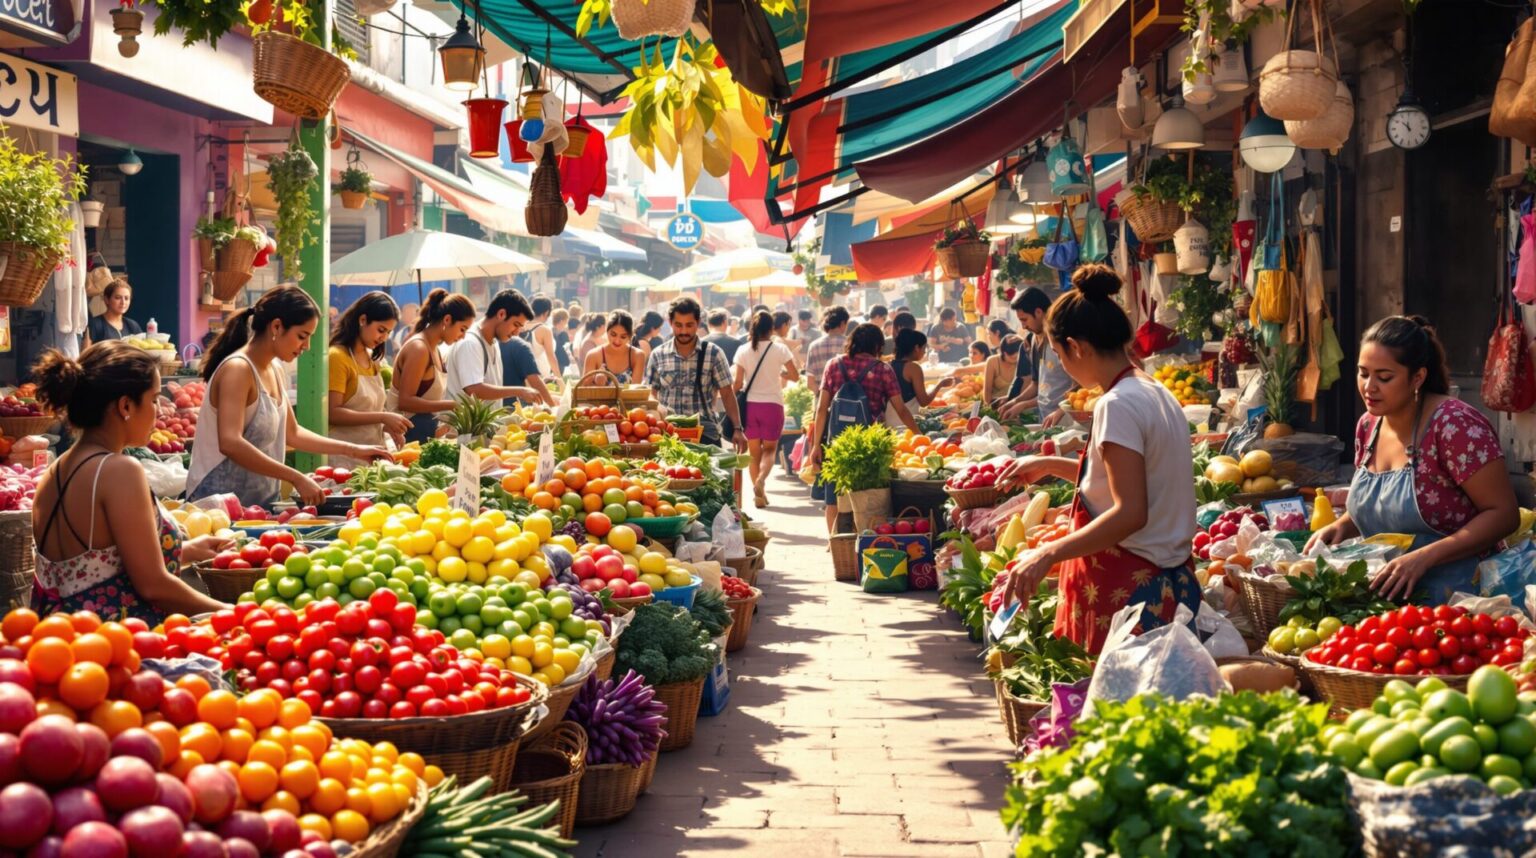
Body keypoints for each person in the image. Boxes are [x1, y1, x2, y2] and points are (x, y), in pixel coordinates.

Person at [994, 265, 1198, 654]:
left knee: (1116, 707)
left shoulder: (1117, 404)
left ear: (1078, 347)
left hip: (1133, 588)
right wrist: (1050, 465)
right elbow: (1131, 483)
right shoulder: (1152, 390)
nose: (1064, 367)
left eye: (1059, 354)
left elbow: (1130, 512)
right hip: (1168, 579)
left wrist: (1047, 553)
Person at [1307, 316, 1518, 604]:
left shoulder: (1455, 426)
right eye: (1363, 373)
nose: (1369, 387)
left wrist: (1425, 558)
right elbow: (1385, 510)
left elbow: (1504, 514)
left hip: (1462, 602)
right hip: (1386, 600)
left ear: (1417, 377)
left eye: (1384, 377)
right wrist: (1344, 525)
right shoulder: (1369, 426)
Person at [30, 342, 228, 624]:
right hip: (114, 644)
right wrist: (234, 613)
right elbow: (153, 586)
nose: (158, 411)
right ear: (125, 406)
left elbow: (98, 564)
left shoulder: (54, 471)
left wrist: (189, 550)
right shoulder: (119, 470)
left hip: (62, 642)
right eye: (154, 399)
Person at [187, 285, 392, 508]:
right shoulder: (238, 369)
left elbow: (292, 433)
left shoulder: (274, 368)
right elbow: (230, 442)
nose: (306, 346)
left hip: (256, 506)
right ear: (276, 326)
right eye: (302, 336)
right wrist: (294, 476)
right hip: (214, 507)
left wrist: (354, 450)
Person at [807, 324, 918, 534]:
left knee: (833, 497)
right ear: (877, 345)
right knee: (870, 496)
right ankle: (866, 538)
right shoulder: (882, 369)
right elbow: (901, 409)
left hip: (837, 442)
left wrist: (815, 446)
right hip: (871, 446)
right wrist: (919, 435)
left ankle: (835, 541)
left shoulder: (833, 365)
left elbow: (821, 409)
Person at [642, 297, 747, 450]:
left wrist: (738, 429)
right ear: (670, 323)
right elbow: (651, 393)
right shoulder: (658, 354)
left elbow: (727, 393)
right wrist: (658, 407)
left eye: (689, 325)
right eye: (678, 325)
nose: (684, 331)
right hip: (669, 434)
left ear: (698, 323)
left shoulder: (714, 353)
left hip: (706, 435)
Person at [327, 291, 412, 468]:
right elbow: (333, 413)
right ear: (363, 320)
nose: (384, 338)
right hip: (343, 461)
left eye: (388, 332)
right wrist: (382, 417)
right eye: (381, 330)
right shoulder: (337, 357)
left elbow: (370, 411)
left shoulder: (372, 358)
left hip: (372, 457)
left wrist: (388, 427)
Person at [733, 311, 800, 507]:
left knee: (753, 453)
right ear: (771, 329)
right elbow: (795, 376)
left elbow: (738, 383)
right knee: (770, 450)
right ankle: (761, 481)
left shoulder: (743, 350)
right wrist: (781, 373)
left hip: (750, 406)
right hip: (773, 405)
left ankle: (758, 493)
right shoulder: (780, 349)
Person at [392, 289, 475, 444]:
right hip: (410, 440)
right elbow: (405, 402)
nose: (463, 336)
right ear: (448, 320)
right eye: (462, 329)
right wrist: (453, 404)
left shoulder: (435, 349)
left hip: (426, 436)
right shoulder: (419, 349)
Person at [446, 289, 539, 404]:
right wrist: (519, 391)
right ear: (501, 314)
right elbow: (474, 389)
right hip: (466, 422)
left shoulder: (494, 342)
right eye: (515, 325)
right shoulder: (470, 342)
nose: (516, 333)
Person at [1001, 287, 1069, 423]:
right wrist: (1015, 401)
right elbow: (1036, 384)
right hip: (1044, 419)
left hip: (1066, 420)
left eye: (1024, 320)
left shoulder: (1062, 338)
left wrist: (1025, 404)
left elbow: (1080, 385)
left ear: (1038, 312)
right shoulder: (1032, 340)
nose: (1023, 326)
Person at [887, 329, 956, 424]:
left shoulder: (888, 365)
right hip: (906, 422)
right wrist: (940, 385)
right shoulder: (913, 368)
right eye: (924, 349)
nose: (924, 353)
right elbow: (924, 401)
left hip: (888, 420)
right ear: (916, 348)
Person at [583, 310, 647, 384]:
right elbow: (583, 390)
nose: (617, 341)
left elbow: (635, 391)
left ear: (630, 336)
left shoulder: (638, 356)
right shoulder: (593, 355)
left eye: (623, 337)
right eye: (613, 335)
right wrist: (598, 383)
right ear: (607, 331)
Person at [84, 278, 143, 347]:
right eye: (118, 297)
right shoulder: (94, 325)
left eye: (126, 298)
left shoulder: (133, 325)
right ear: (106, 299)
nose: (123, 302)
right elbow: (85, 354)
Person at [805, 306, 850, 388]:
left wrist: (820, 395)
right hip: (846, 398)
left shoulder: (814, 346)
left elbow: (810, 383)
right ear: (843, 323)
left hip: (821, 398)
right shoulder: (850, 344)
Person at [520, 294, 559, 377]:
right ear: (547, 312)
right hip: (537, 372)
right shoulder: (544, 330)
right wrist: (559, 378)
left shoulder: (521, 325)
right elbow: (551, 357)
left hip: (521, 371)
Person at [983, 336, 1024, 407]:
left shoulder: (1023, 361)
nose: (1016, 359)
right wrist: (991, 408)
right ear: (1003, 352)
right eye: (1011, 357)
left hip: (1017, 404)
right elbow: (987, 392)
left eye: (1018, 356)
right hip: (996, 405)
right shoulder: (992, 361)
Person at [551, 308, 572, 375]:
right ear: (562, 321)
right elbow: (567, 349)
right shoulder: (563, 334)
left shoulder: (549, 331)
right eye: (566, 320)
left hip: (550, 361)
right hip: (560, 362)